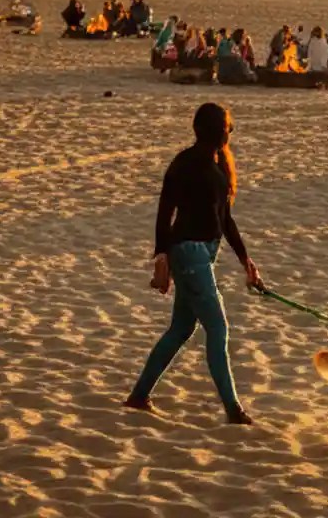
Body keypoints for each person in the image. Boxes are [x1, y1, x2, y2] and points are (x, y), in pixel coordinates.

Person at [125, 103, 264, 425]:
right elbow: (165, 214)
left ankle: (138, 396)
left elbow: (225, 220)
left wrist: (246, 261)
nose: (231, 132)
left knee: (181, 328)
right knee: (217, 327)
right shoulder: (186, 164)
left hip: (199, 255)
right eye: (228, 128)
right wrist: (162, 257)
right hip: (190, 255)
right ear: (218, 132)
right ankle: (233, 410)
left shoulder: (216, 166)